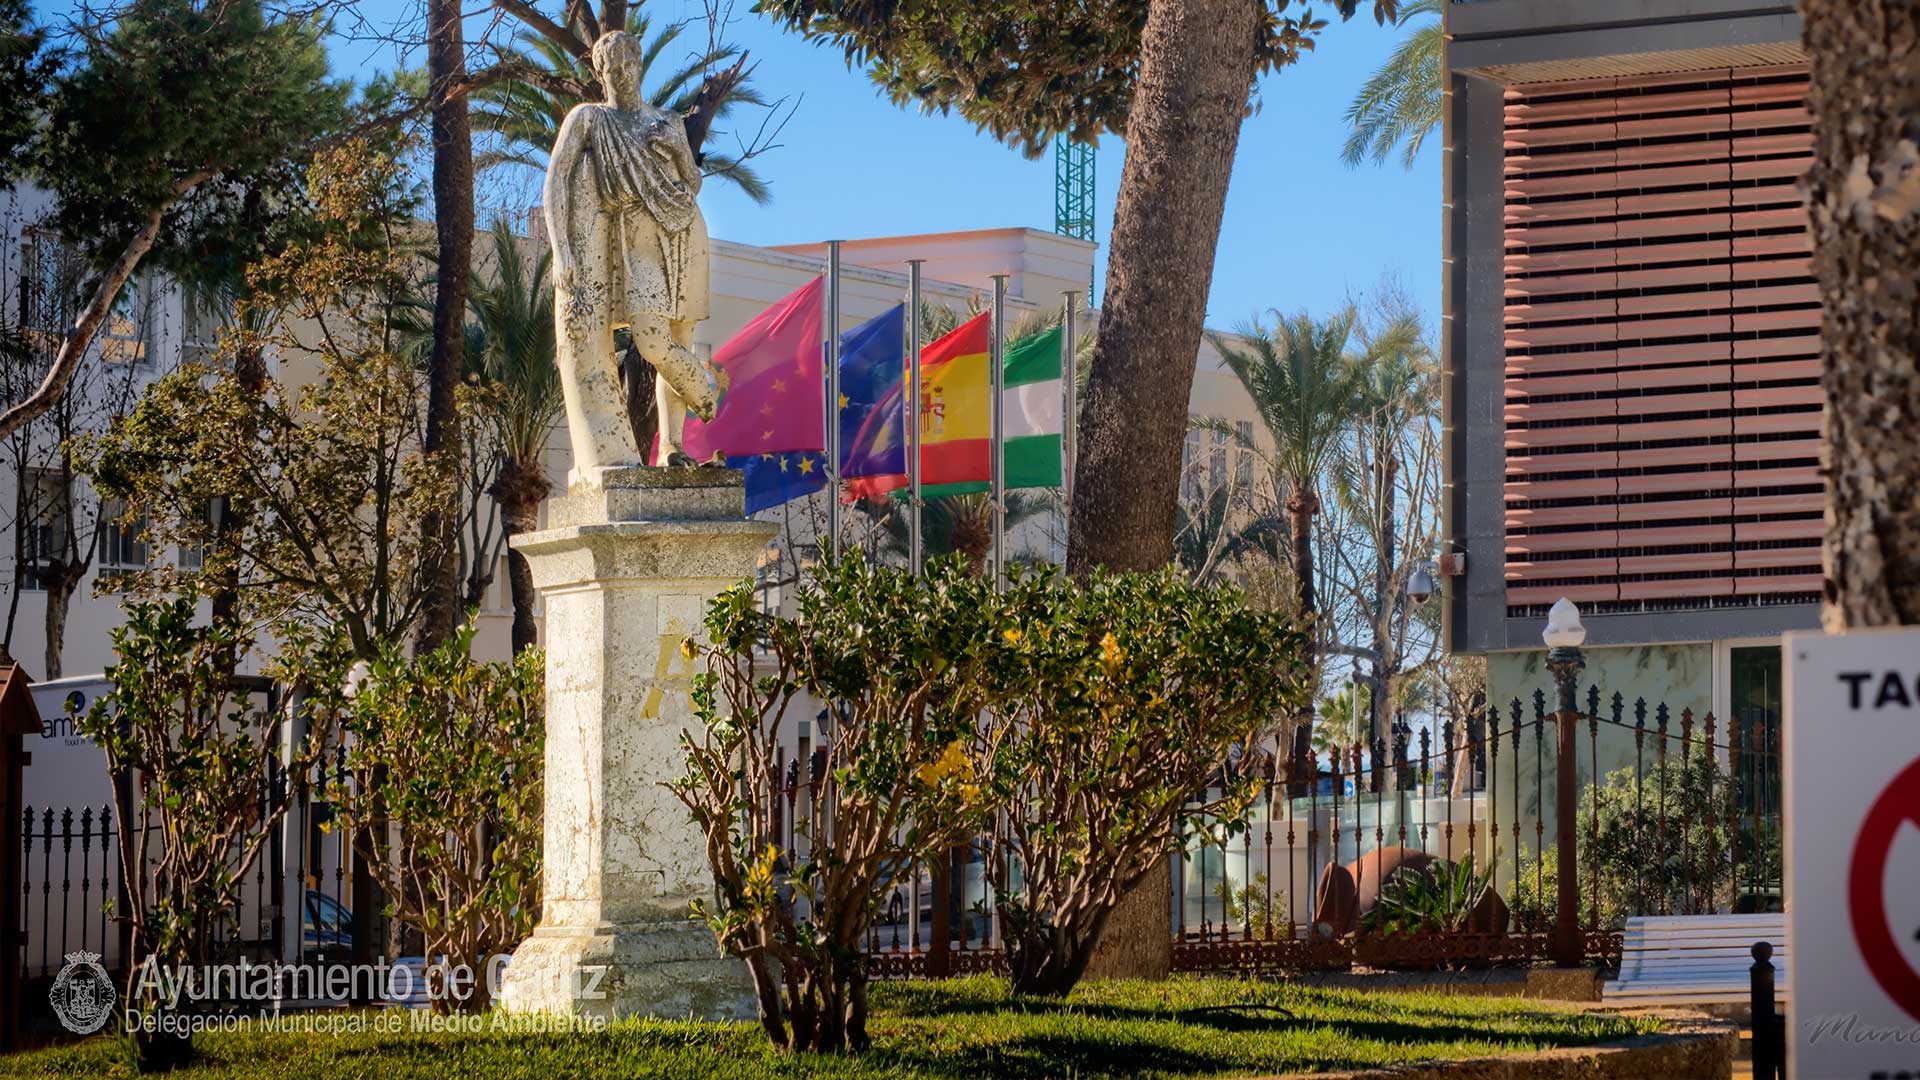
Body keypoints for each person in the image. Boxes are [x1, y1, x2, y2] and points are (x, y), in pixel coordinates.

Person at [544, 30, 718, 476]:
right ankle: (703, 386)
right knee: (652, 338)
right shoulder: (590, 118)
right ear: (600, 73)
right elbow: (557, 180)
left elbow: (692, 182)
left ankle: (672, 447)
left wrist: (678, 147)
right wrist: (562, 252)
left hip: (683, 229)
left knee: (677, 337)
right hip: (634, 233)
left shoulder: (666, 120)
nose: (622, 74)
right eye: (613, 68)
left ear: (639, 66)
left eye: (629, 65)